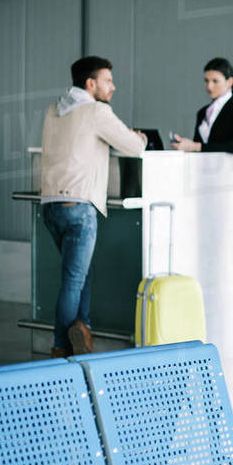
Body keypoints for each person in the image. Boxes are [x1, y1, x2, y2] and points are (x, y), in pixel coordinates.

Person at [40, 56, 147, 357]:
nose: (113, 86)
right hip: (79, 206)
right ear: (90, 83)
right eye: (107, 80)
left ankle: (81, 332)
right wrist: (138, 136)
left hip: (50, 205)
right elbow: (135, 146)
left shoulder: (54, 109)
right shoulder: (96, 111)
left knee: (80, 275)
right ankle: (61, 348)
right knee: (74, 280)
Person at [170, 57, 233, 355]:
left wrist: (196, 146)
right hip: (204, 191)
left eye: (215, 81)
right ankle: (210, 321)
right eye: (206, 81)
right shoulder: (203, 113)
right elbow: (202, 151)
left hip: (228, 191)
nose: (209, 86)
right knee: (206, 252)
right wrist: (188, 146)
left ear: (229, 82)